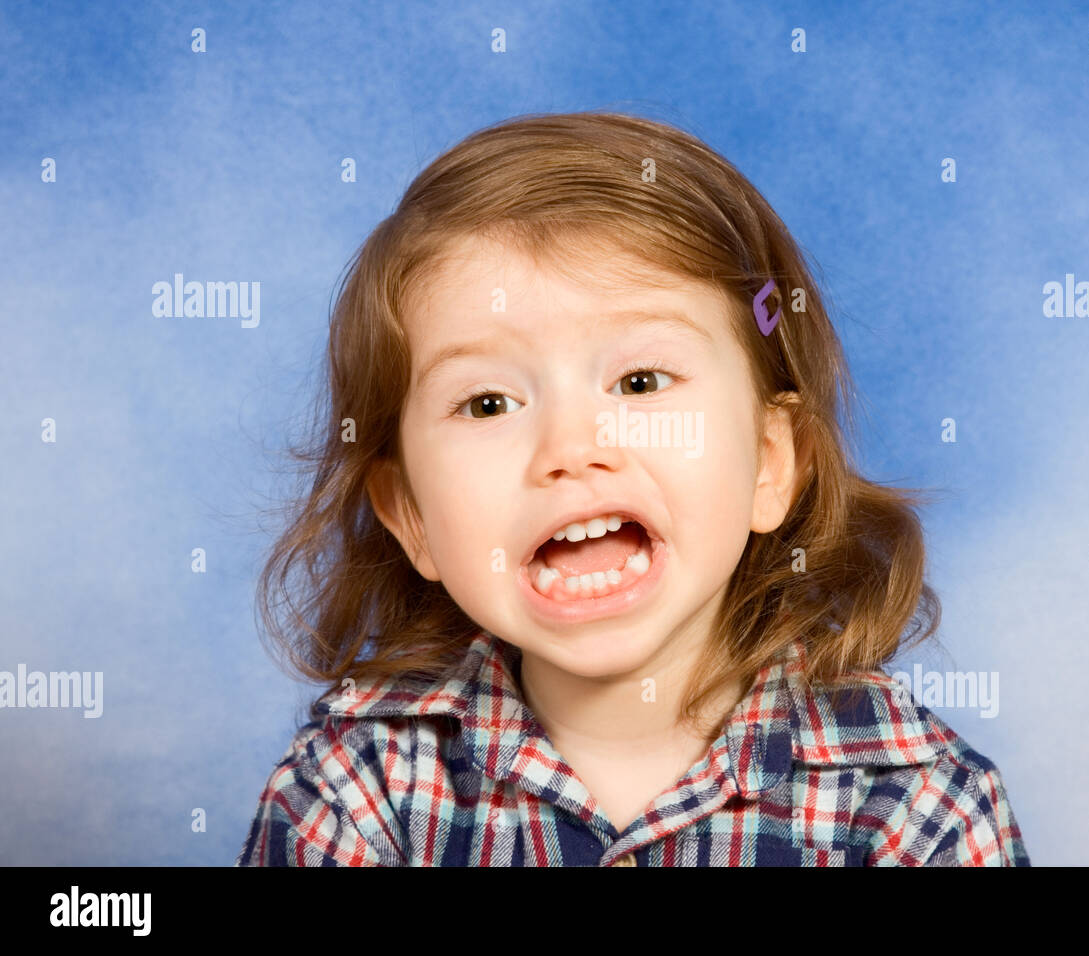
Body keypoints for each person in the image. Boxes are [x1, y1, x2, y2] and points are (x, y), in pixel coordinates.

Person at [235, 110, 1029, 866]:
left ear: (769, 462)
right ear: (410, 516)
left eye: (641, 382)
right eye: (488, 404)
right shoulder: (353, 791)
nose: (571, 449)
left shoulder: (914, 807)